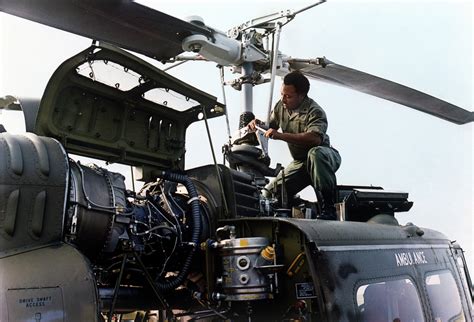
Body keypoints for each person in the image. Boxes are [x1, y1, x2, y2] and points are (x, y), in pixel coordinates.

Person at [248, 71, 341, 219]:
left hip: (323, 158)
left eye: (288, 96)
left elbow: (314, 139)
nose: (284, 100)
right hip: (300, 163)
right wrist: (258, 125)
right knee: (268, 193)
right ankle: (302, 207)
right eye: (282, 95)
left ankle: (329, 209)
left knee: (315, 154)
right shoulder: (281, 107)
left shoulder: (315, 111)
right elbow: (270, 127)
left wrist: (280, 136)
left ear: (301, 95)